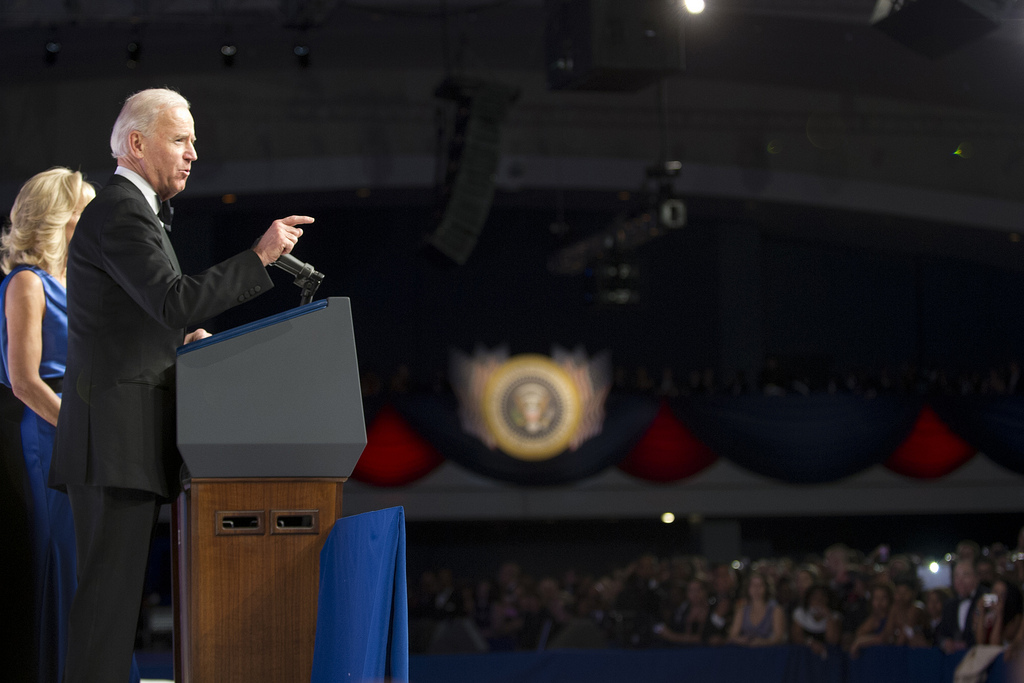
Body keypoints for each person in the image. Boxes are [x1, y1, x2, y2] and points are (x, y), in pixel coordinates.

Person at [48, 87, 313, 683]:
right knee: (104, 612)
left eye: (194, 141)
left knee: (113, 613)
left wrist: (185, 340)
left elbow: (148, 313)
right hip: (112, 442)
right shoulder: (119, 208)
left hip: (123, 441)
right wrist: (261, 257)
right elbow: (171, 299)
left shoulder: (134, 211)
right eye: (180, 140)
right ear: (137, 144)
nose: (193, 153)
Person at [0, 168, 100, 683]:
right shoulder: (26, 283)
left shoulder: (77, 280)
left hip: (85, 433)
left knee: (88, 566)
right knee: (60, 560)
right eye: (86, 210)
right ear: (61, 218)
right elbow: (25, 382)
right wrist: (84, 430)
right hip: (50, 435)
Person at [728, 570, 786, 646]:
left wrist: (763, 642)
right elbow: (732, 635)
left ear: (766, 588)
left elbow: (778, 637)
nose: (756, 589)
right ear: (748, 588)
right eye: (753, 585)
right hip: (746, 652)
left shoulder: (776, 610)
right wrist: (741, 640)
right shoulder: (742, 611)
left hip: (770, 652)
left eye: (760, 585)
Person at [790, 583, 842, 659]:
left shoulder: (835, 616)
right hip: (804, 658)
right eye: (815, 597)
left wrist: (828, 616)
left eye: (822, 597)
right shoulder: (800, 613)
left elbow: (832, 640)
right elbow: (796, 637)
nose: (818, 600)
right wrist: (810, 643)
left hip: (828, 659)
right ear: (809, 599)